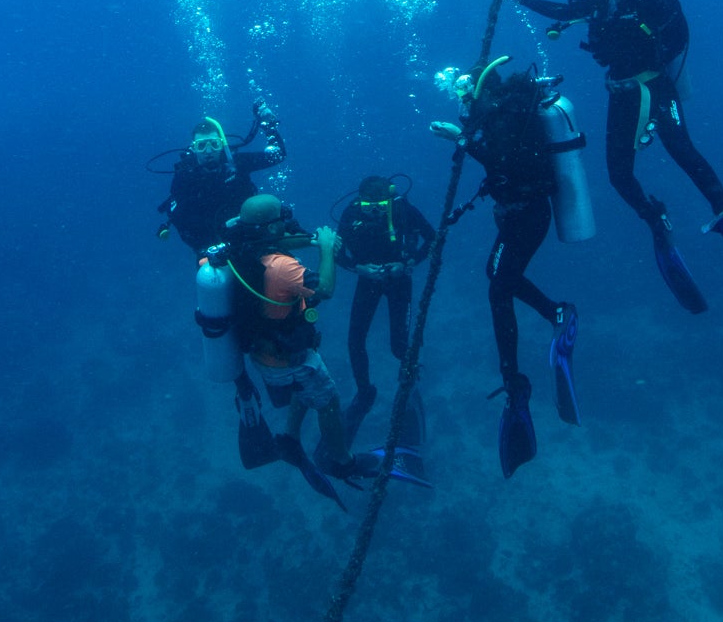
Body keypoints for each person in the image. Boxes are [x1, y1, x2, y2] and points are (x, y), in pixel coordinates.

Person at [508, 0, 723, 314]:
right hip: (621, 92)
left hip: (654, 84)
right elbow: (567, 11)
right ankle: (655, 217)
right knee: (618, 175)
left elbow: (671, 20)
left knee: (681, 148)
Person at [432, 60, 580, 479]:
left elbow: (507, 163)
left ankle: (516, 378)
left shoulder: (510, 116)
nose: (463, 101)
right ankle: (556, 315)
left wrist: (461, 138)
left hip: (528, 214)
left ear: (482, 89)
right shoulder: (500, 114)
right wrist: (466, 132)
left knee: (499, 288)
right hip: (518, 213)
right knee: (498, 279)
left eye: (465, 93)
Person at [213, 194, 353, 505]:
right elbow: (324, 289)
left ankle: (289, 438)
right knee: (328, 402)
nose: (287, 223)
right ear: (271, 226)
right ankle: (341, 461)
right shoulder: (281, 267)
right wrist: (327, 249)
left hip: (263, 352)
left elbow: (273, 241)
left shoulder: (237, 246)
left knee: (302, 391)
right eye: (281, 220)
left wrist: (311, 241)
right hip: (291, 357)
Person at [334, 175, 435, 432]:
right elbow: (335, 252)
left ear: (390, 199)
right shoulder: (351, 213)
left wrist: (409, 262)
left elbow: (432, 237)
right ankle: (364, 391)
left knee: (400, 346)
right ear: (360, 202)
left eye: (381, 205)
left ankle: (409, 380)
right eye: (369, 206)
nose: (376, 210)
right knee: (355, 340)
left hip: (398, 280)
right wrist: (359, 269)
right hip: (367, 280)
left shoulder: (402, 209)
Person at [159, 104, 285, 255]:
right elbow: (180, 220)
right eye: (201, 146)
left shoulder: (235, 163)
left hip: (251, 236)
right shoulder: (185, 177)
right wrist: (209, 246)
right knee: (209, 278)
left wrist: (269, 126)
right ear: (193, 148)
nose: (209, 151)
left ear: (222, 144)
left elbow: (277, 155)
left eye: (214, 144)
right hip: (213, 248)